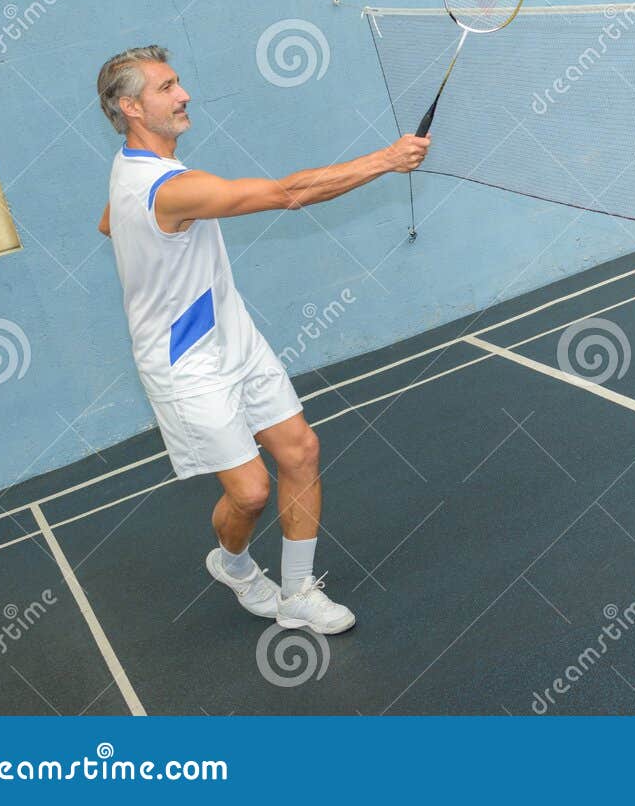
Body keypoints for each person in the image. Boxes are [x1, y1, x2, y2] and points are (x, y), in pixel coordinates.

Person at [95, 45, 428, 630]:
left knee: (301, 450)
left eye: (179, 82)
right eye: (167, 87)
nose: (184, 94)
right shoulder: (171, 188)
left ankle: (298, 591)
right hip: (184, 362)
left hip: (234, 338)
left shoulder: (131, 169)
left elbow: (108, 222)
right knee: (249, 493)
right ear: (131, 107)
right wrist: (386, 159)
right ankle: (235, 566)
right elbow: (288, 194)